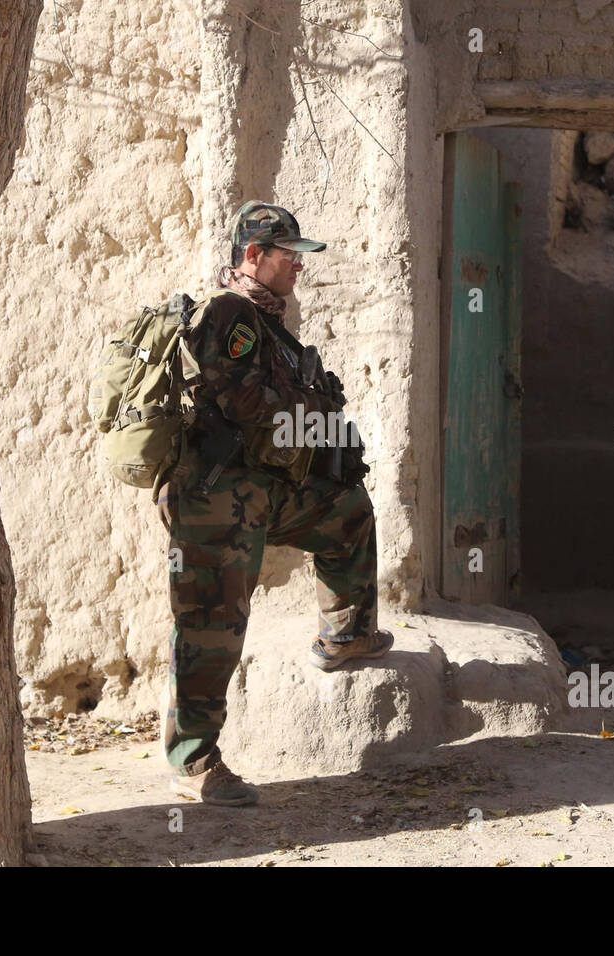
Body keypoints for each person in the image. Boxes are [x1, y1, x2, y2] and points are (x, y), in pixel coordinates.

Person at [154, 200, 394, 806]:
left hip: (262, 491)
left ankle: (346, 634)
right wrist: (316, 420)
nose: (298, 269)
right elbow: (246, 404)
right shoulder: (230, 314)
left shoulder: (268, 324)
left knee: (347, 512)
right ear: (253, 256)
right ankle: (193, 762)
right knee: (213, 626)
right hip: (217, 497)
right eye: (289, 257)